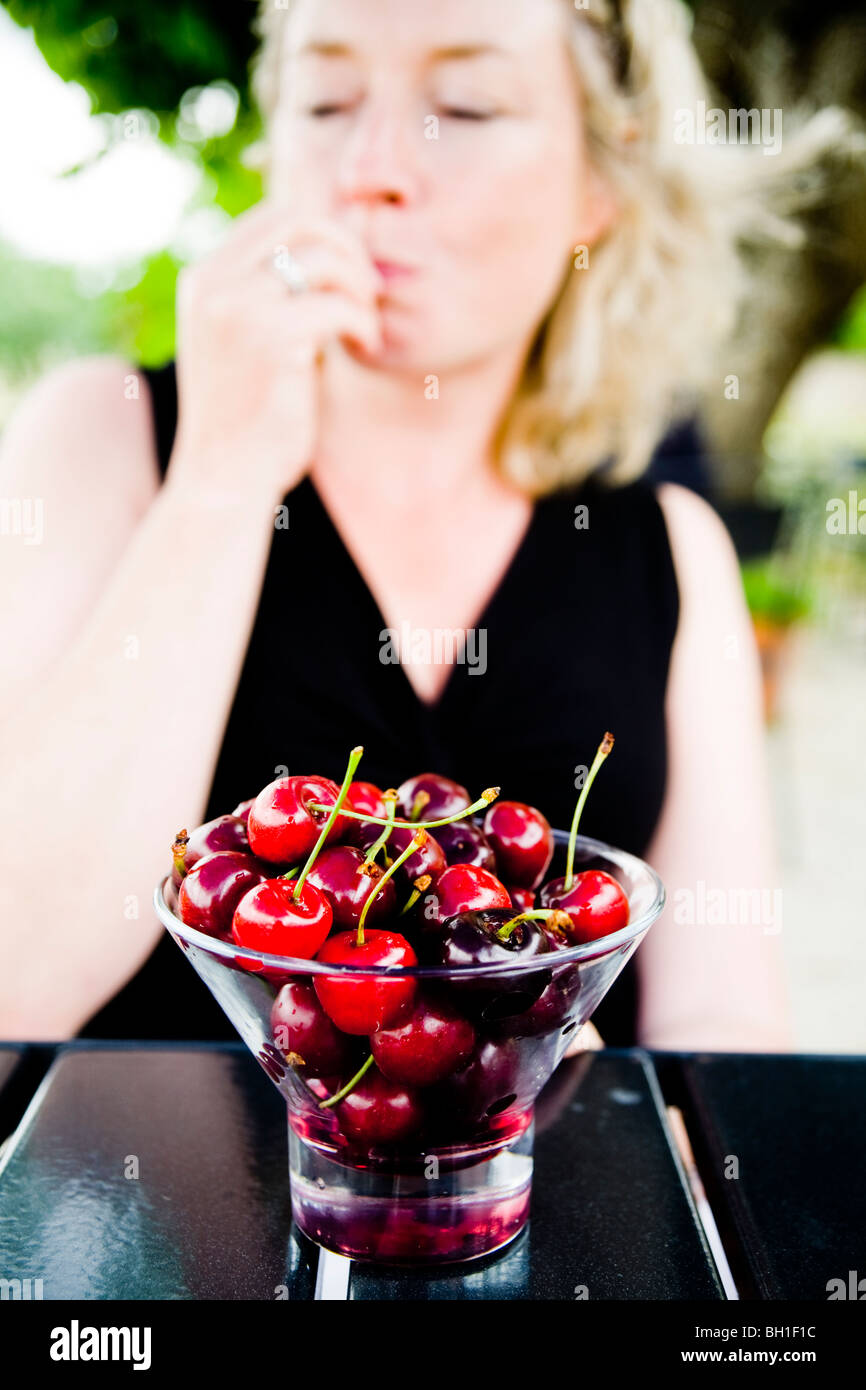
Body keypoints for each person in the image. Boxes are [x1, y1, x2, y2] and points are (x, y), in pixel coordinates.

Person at [0, 0, 792, 1050]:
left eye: (462, 108)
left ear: (600, 181)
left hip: (534, 1210)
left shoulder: (666, 548)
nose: (371, 167)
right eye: (325, 101)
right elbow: (16, 983)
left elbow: (723, 1026)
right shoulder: (107, 437)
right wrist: (224, 473)